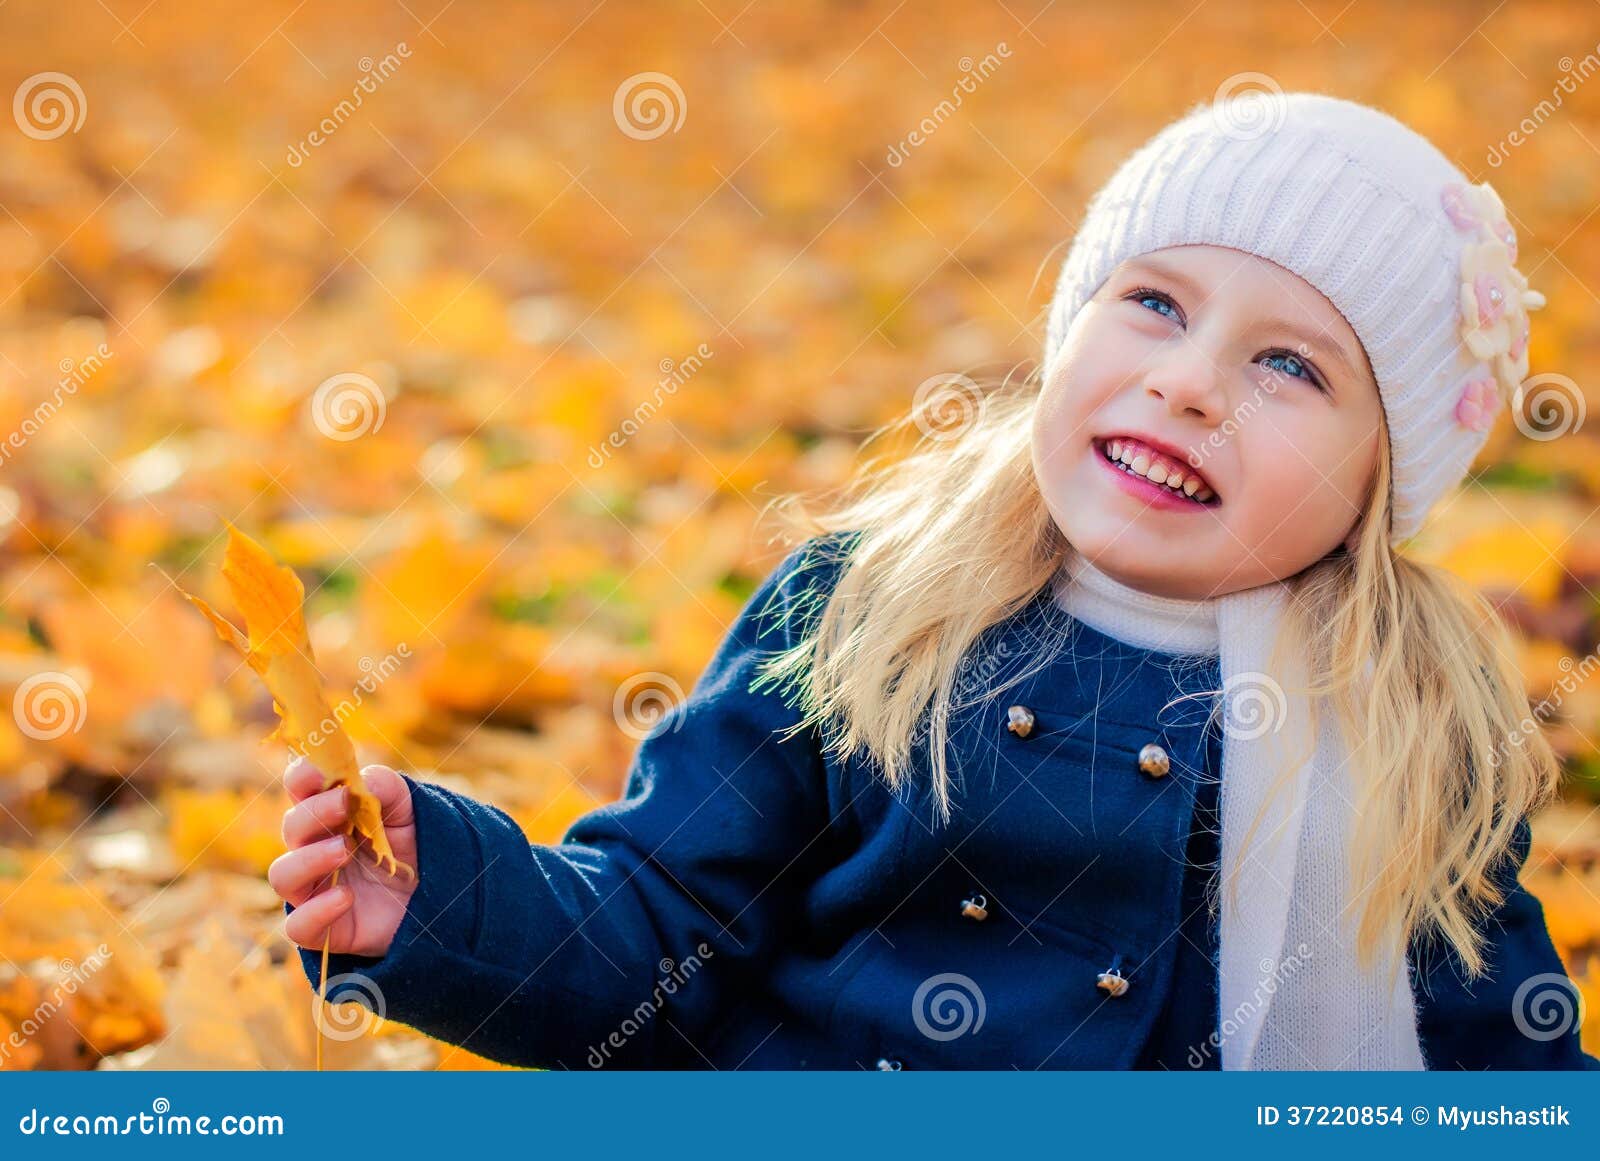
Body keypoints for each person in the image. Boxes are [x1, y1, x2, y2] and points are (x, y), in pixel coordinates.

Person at [272, 91, 1598, 1070]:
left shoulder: (1406, 727)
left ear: (1382, 483)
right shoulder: (873, 607)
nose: (1189, 379)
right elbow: (658, 937)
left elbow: (1490, 1051)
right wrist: (441, 900)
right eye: (1152, 303)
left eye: (1290, 367)